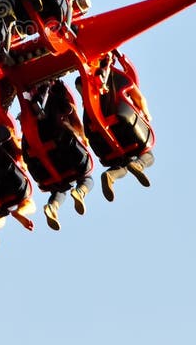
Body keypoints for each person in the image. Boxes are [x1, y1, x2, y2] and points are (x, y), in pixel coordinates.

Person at [75, 52, 155, 202]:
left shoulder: (84, 84)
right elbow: (139, 98)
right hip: (124, 124)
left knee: (122, 162)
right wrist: (146, 115)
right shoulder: (121, 78)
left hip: (97, 133)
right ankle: (137, 165)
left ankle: (111, 175)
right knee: (148, 154)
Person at [22, 78, 93, 231]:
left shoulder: (28, 112)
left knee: (59, 188)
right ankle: (79, 192)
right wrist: (83, 137)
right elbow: (75, 121)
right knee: (86, 177)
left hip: (45, 163)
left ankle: (52, 206)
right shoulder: (59, 100)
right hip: (65, 152)